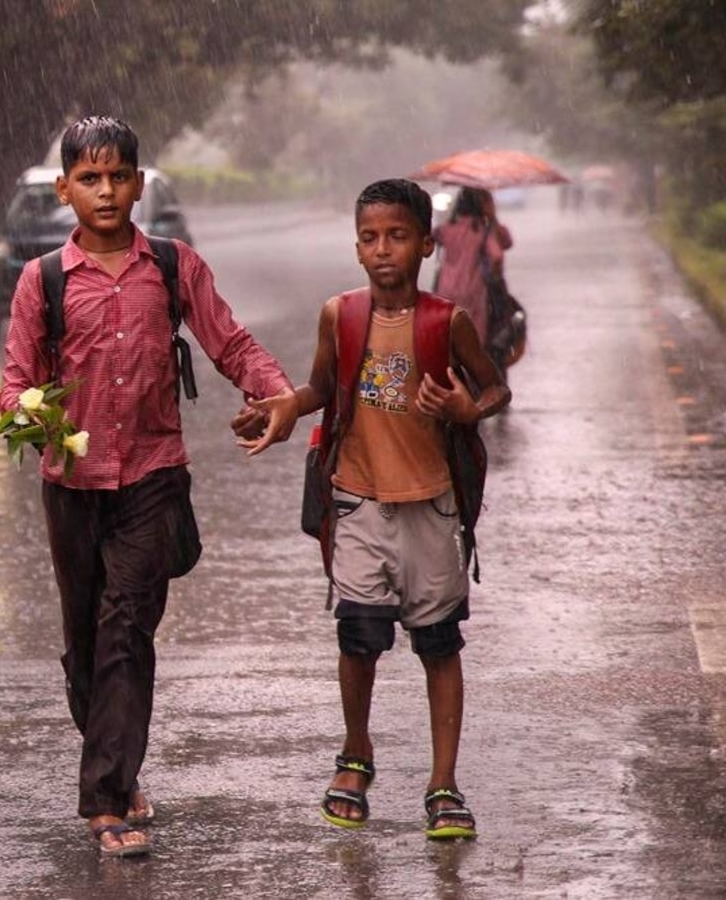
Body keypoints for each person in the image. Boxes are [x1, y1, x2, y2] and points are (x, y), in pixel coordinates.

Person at [0, 116, 298, 858]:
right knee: (83, 647)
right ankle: (121, 770)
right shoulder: (42, 282)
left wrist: (278, 393)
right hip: (71, 485)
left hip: (154, 478)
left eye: (119, 177)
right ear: (65, 189)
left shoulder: (172, 266)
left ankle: (105, 804)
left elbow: (228, 340)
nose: (106, 191)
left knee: (125, 630)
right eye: (90, 179)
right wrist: (30, 415)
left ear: (139, 184)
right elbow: (13, 385)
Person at [289, 178, 509, 841]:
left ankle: (443, 784)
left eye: (397, 236)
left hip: (432, 510)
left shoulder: (448, 322)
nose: (383, 250)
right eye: (369, 237)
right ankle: (356, 755)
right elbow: (323, 389)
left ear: (424, 243)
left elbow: (495, 386)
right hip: (358, 503)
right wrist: (283, 408)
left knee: (438, 646)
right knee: (358, 639)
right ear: (356, 248)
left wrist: (468, 409)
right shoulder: (341, 316)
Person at [433, 187, 512, 364]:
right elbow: (499, 253)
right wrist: (495, 276)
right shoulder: (482, 231)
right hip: (473, 291)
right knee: (475, 339)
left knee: (448, 335)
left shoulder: (446, 230)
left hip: (445, 291)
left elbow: (430, 238)